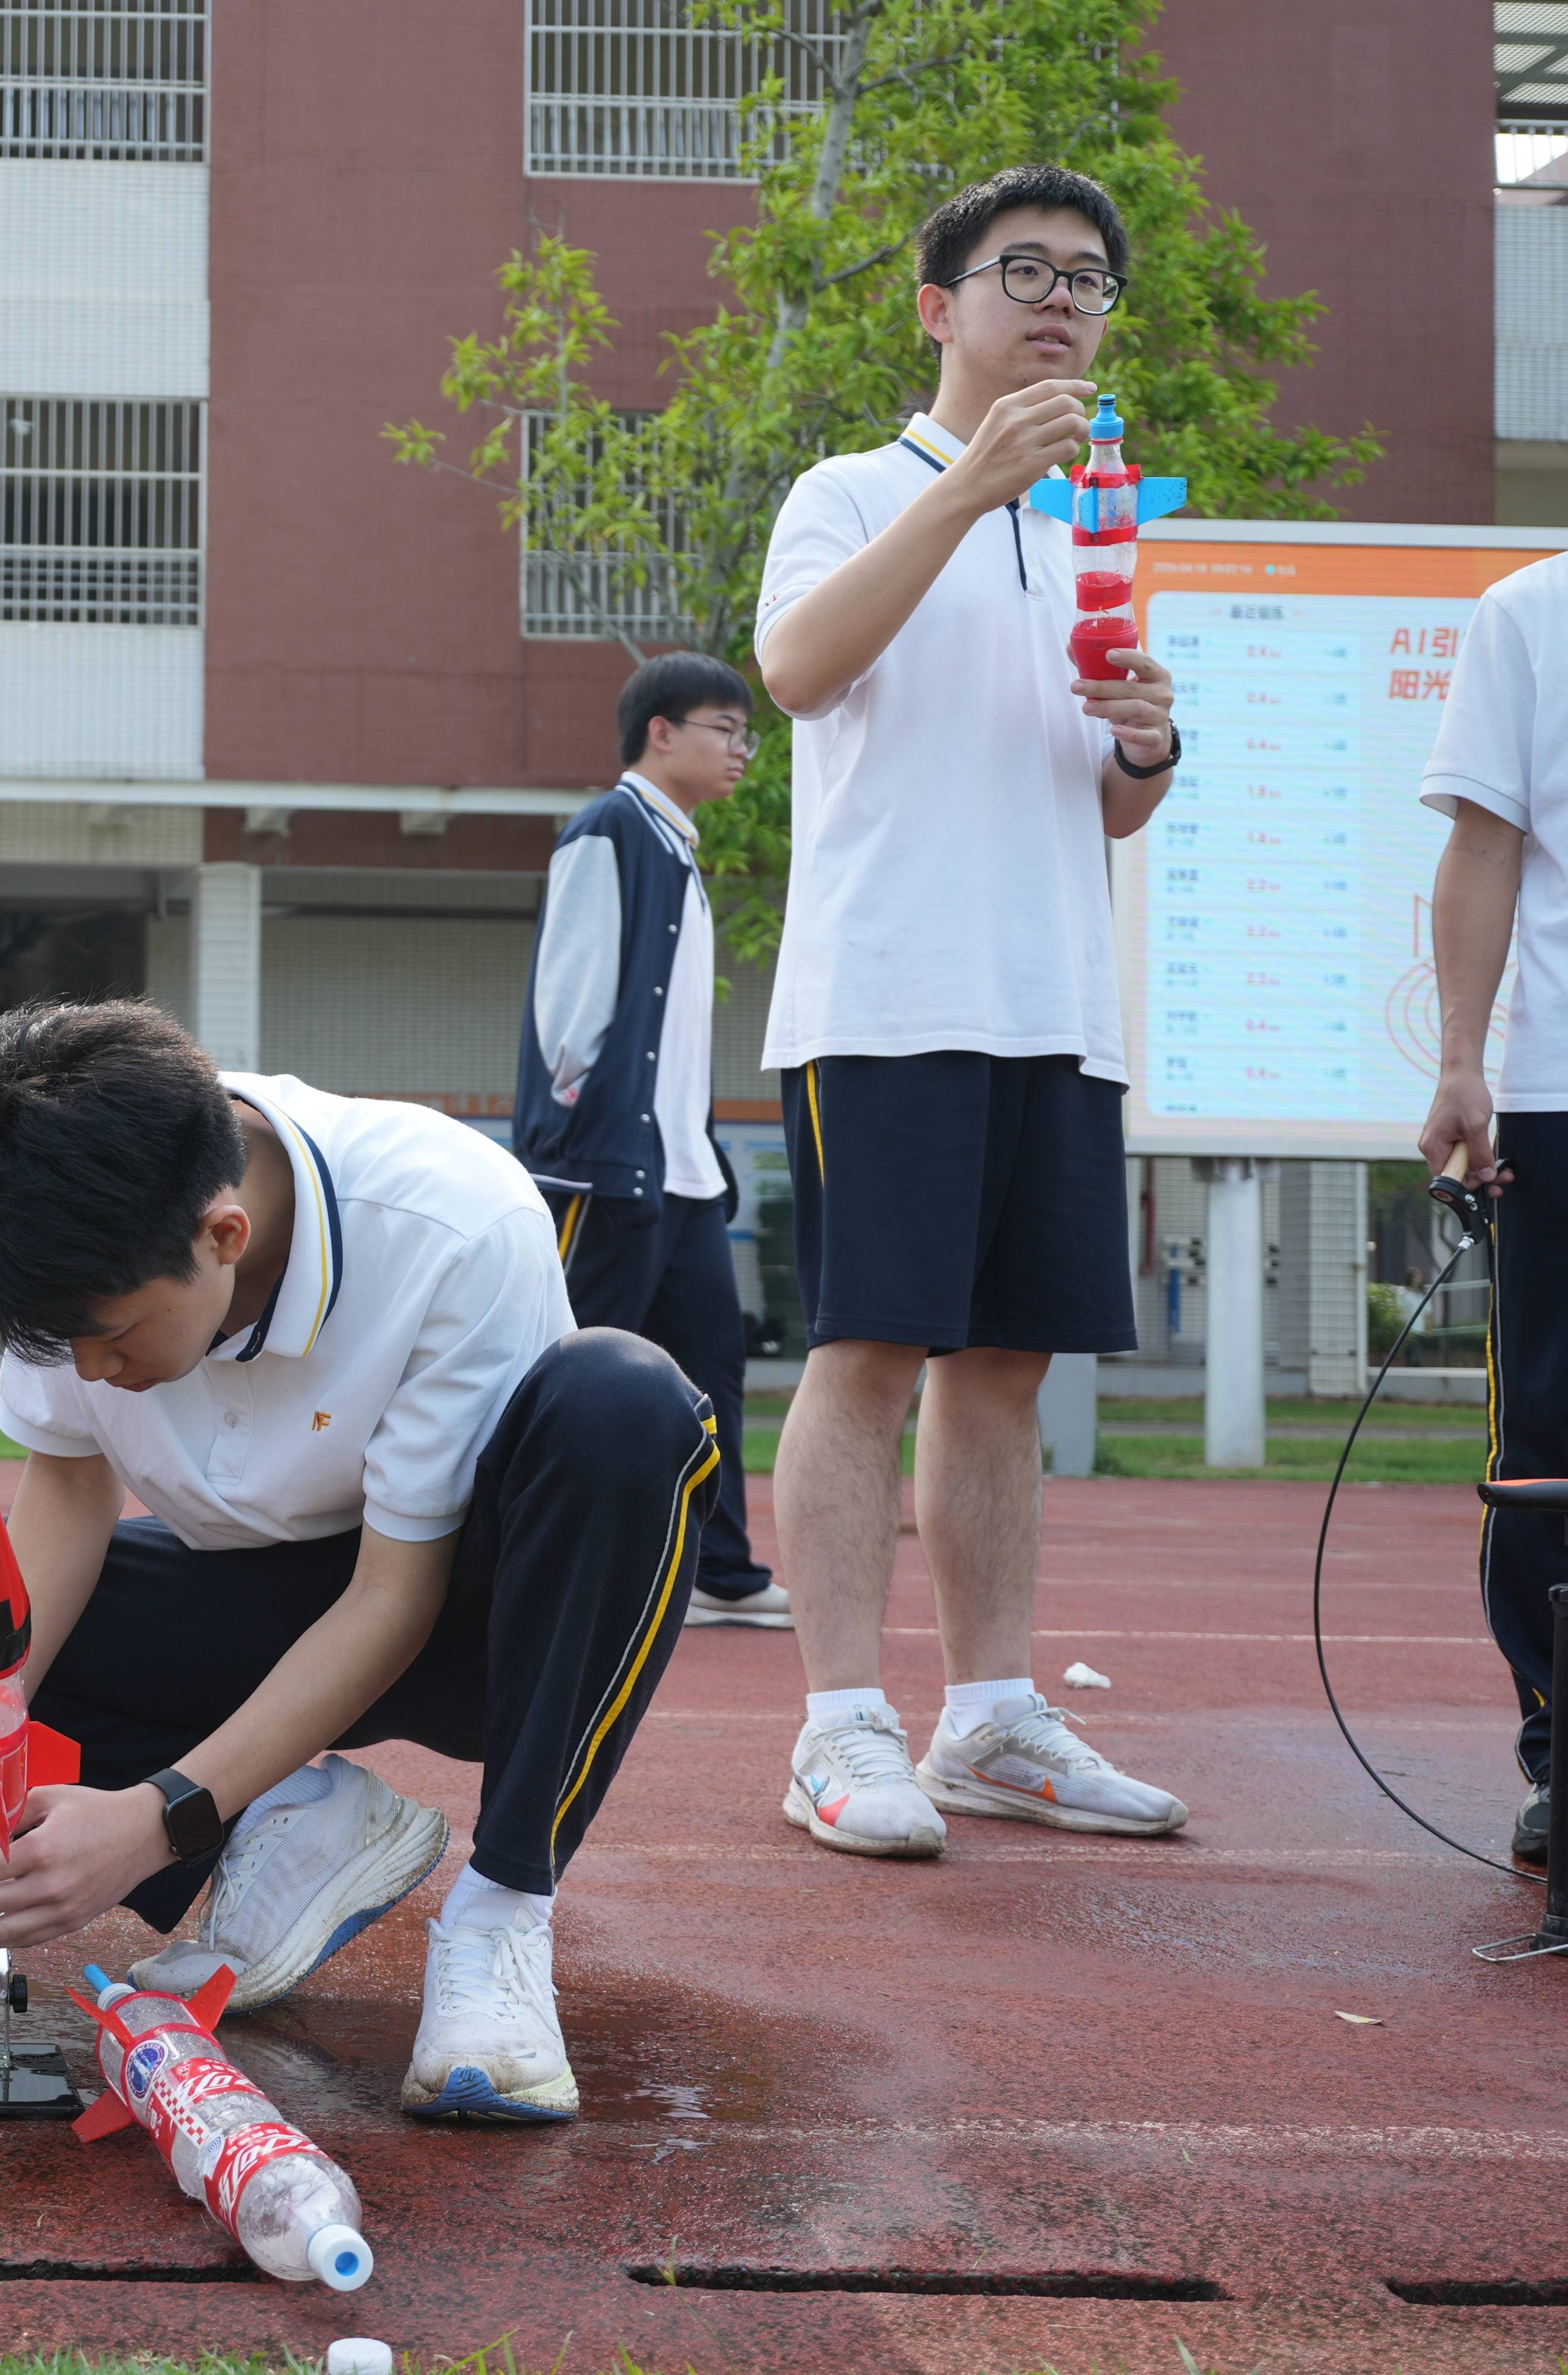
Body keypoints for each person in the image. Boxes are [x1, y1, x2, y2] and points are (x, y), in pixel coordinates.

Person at [0, 1004, 718, 2121]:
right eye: (54, 1345)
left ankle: (501, 1912)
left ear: (224, 1236)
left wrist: (161, 1816)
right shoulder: (75, 1225)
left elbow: (392, 1593)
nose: (89, 1368)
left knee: (626, 1405)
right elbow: (69, 1492)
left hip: (468, 1621)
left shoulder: (452, 1223)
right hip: (243, 1589)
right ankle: (298, 1811)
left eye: (111, 1336)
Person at [750, 163, 1188, 1859]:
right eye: (1026, 272)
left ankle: (994, 1718)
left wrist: (1147, 736)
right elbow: (796, 669)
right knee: (870, 1356)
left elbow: (1103, 800)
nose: (1063, 299)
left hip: (1053, 1000)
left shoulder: (1095, 526)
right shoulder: (857, 491)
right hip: (888, 997)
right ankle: (836, 1725)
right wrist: (971, 488)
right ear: (941, 309)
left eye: (1089, 278)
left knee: (1004, 1370)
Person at [512, 653, 786, 1630]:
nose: (742, 751)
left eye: (745, 733)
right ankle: (523, 1557)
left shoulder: (677, 848)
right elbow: (571, 1004)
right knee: (570, 1369)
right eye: (725, 728)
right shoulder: (611, 829)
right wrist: (591, 1119)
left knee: (711, 1371)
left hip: (681, 1173)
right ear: (659, 733)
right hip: (606, 1164)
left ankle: (719, 1571)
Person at [1415, 553, 1568, 1868]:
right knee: (1549, 1438)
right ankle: (1557, 1747)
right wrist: (1462, 1061)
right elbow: (1484, 842)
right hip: (1562, 1092)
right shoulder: (1530, 611)